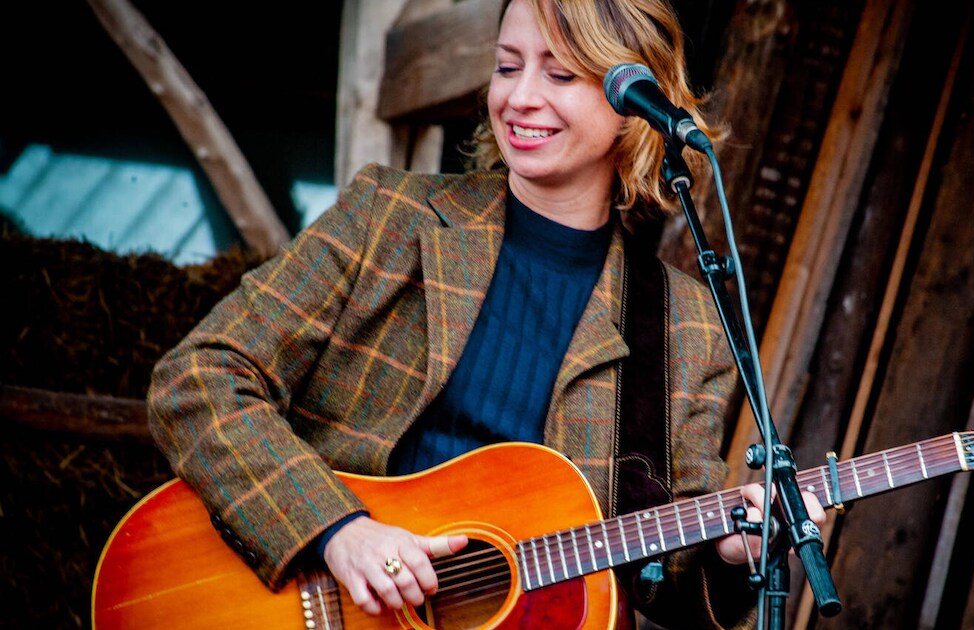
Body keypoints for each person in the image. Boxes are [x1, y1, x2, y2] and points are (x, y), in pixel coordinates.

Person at [147, 0, 825, 628]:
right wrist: (336, 532)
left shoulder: (684, 324)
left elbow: (669, 584)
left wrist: (734, 555)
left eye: (560, 74)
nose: (519, 96)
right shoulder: (389, 217)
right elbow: (198, 377)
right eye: (507, 66)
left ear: (632, 106)